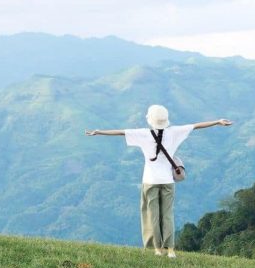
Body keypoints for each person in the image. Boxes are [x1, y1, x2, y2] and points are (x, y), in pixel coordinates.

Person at [85, 105, 232, 258]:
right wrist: (217, 122)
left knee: (152, 215)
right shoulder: (174, 132)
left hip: (150, 181)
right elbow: (196, 126)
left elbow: (120, 132)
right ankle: (170, 250)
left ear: (150, 120)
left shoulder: (143, 134)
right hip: (168, 181)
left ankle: (157, 249)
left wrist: (98, 132)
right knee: (167, 215)